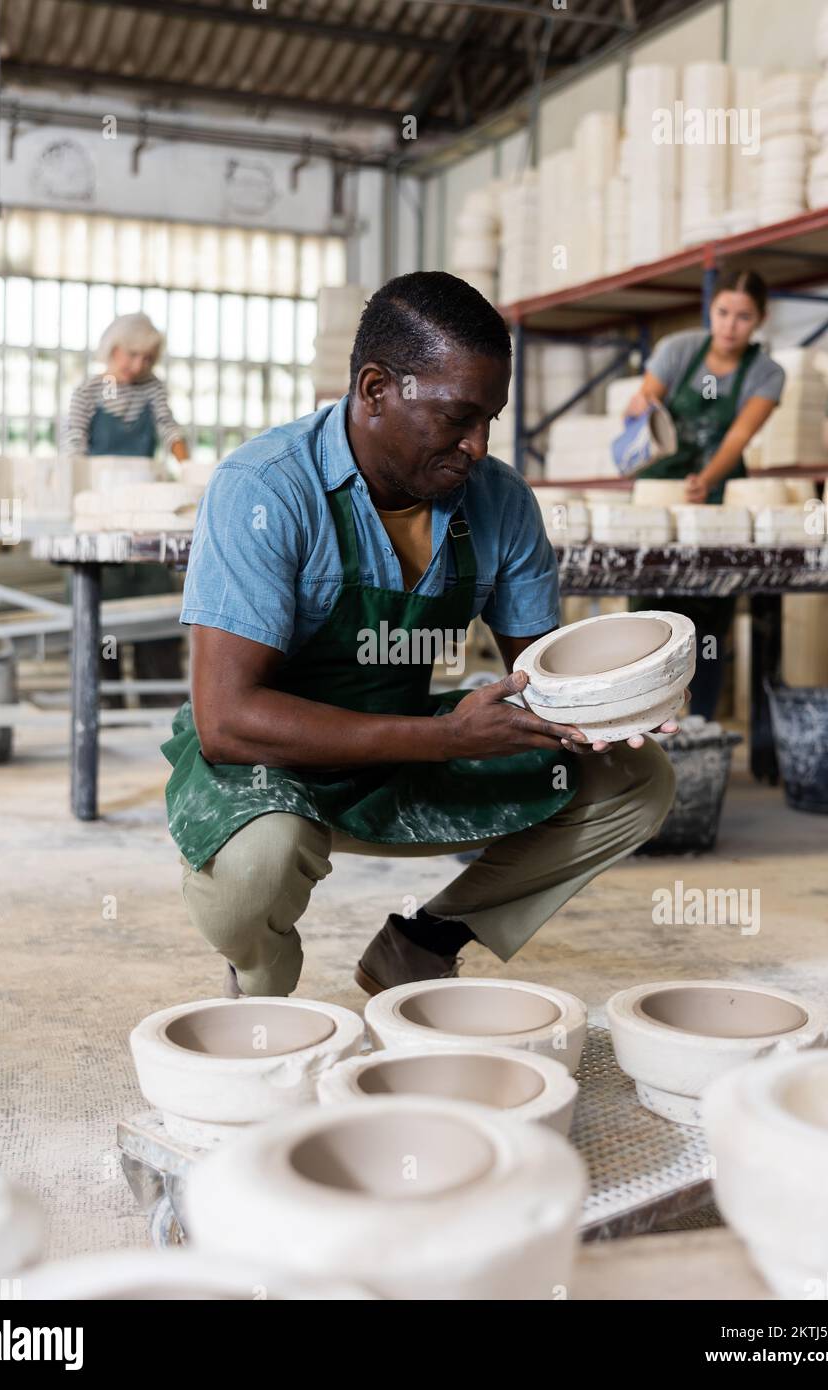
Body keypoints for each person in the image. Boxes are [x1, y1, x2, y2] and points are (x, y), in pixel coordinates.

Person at [162, 272, 677, 1000]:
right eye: (457, 418)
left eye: (490, 419)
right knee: (258, 864)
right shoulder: (265, 488)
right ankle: (261, 979)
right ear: (376, 389)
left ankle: (425, 942)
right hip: (268, 759)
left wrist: (616, 703)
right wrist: (445, 740)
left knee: (636, 778)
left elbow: (541, 683)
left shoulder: (499, 501)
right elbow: (227, 722)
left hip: (400, 748)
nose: (477, 444)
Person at [624, 269, 785, 719]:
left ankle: (698, 724)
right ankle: (640, 718)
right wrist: (639, 410)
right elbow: (645, 400)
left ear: (760, 320)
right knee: (649, 611)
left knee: (706, 617)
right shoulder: (679, 350)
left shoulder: (766, 373)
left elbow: (737, 437)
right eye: (723, 312)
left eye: (743, 317)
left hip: (715, 504)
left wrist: (707, 480)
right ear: (710, 309)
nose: (730, 325)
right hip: (660, 497)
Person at [66, 313, 188, 706]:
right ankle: (106, 702)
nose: (139, 367)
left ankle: (160, 701)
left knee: (155, 612)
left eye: (148, 360)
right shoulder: (87, 393)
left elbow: (170, 430)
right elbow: (73, 450)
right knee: (106, 615)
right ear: (114, 349)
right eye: (132, 357)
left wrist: (187, 468)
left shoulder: (152, 389)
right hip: (101, 519)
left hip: (146, 517)